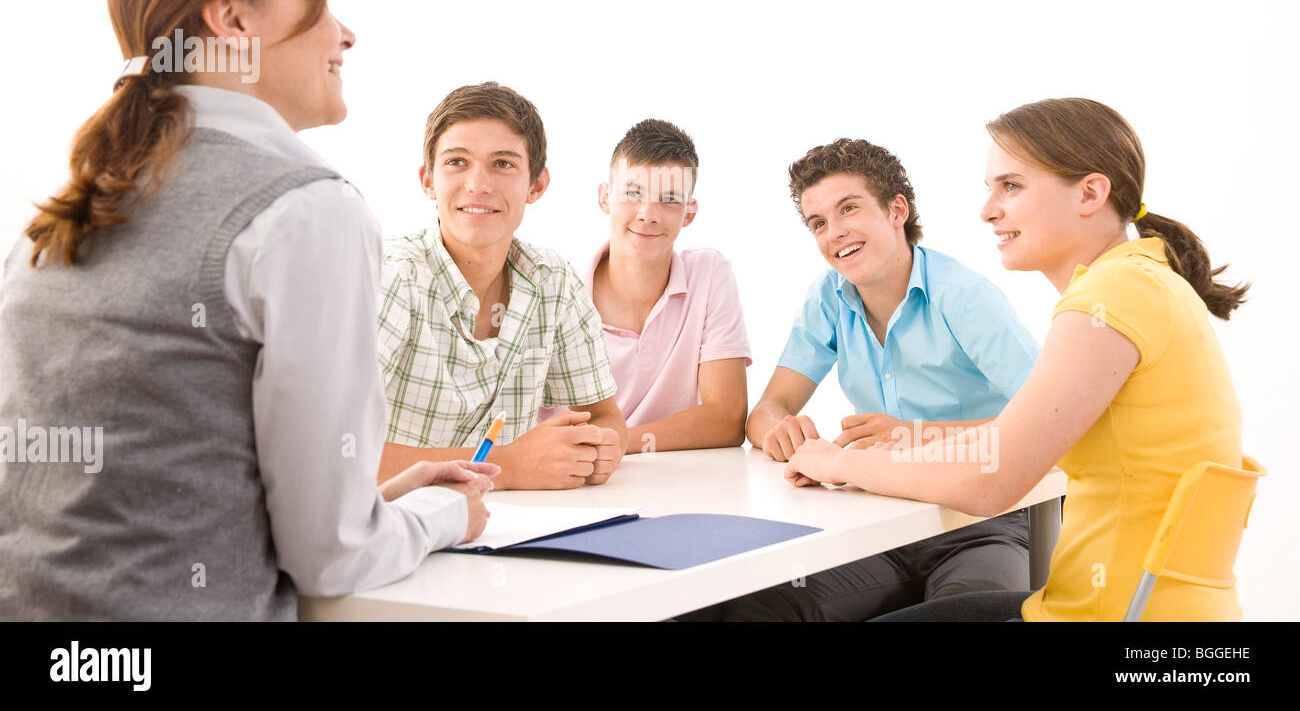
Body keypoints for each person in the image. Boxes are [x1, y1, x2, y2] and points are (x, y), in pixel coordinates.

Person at [0, 0, 496, 621]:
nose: (344, 33)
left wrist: (376, 500)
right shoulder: (305, 211)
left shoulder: (53, 221)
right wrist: (447, 515)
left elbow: (143, 496)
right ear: (233, 22)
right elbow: (331, 557)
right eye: (321, 2)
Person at [787, 99, 1247, 622]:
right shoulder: (1139, 279)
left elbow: (991, 481)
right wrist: (900, 440)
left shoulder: (1111, 297)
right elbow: (1007, 442)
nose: (987, 209)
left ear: (1091, 193)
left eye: (1011, 186)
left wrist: (840, 463)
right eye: (990, 189)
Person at [706, 137, 1040, 621]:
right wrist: (782, 431)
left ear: (896, 209)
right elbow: (766, 411)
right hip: (880, 523)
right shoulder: (828, 298)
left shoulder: (965, 298)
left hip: (981, 523)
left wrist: (913, 438)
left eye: (849, 209)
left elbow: (1048, 429)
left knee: (972, 612)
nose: (834, 232)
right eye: (818, 222)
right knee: (751, 609)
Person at [377, 82, 627, 490]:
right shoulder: (391, 279)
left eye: (503, 164)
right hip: (391, 530)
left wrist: (595, 450)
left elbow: (603, 416)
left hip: (510, 528)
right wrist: (507, 466)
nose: (478, 184)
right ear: (428, 181)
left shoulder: (554, 281)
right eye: (457, 162)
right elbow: (324, 451)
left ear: (537, 186)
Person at [584, 119, 750, 454]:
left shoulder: (709, 274)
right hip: (577, 487)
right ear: (605, 198)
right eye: (633, 193)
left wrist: (616, 444)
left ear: (689, 213)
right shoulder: (561, 293)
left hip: (673, 482)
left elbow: (728, 419)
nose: (648, 214)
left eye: (669, 199)